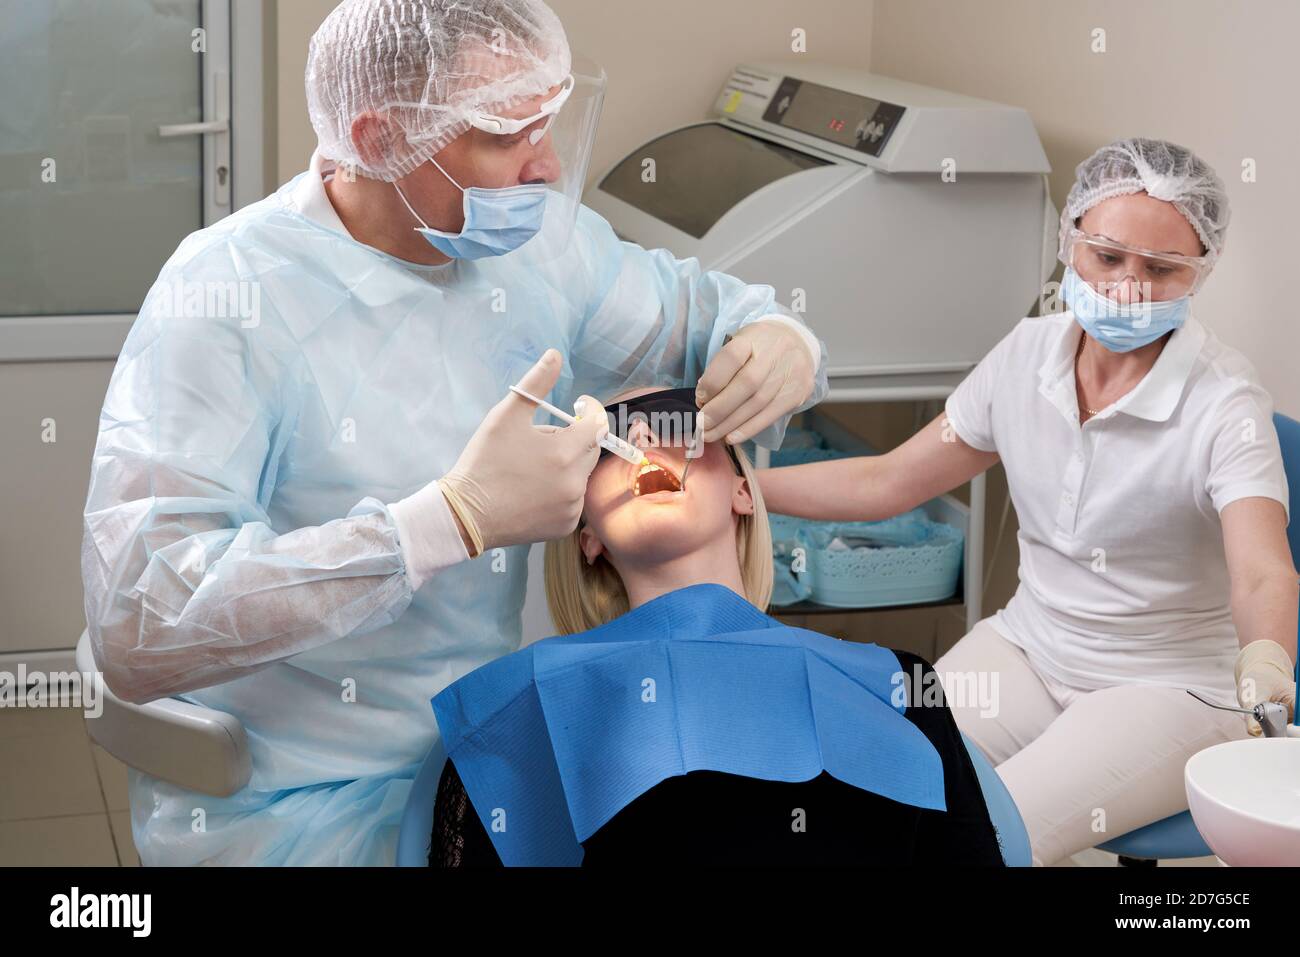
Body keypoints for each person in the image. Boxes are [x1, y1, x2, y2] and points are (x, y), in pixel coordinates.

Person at [80, 0, 828, 866]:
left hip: (481, 759)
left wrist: (781, 339)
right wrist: (443, 524)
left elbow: (709, 317)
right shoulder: (227, 298)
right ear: (380, 134)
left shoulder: (541, 247)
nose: (545, 168)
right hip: (298, 810)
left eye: (550, 123)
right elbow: (140, 621)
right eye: (510, 135)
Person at [758, 138, 1297, 865]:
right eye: (1107, 256)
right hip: (1028, 651)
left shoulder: (1226, 402)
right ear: (1068, 240)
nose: (1128, 287)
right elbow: (885, 482)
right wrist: (742, 486)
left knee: (978, 841)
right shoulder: (1026, 356)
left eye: (1161, 269)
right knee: (874, 786)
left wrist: (1267, 668)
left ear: (1198, 274)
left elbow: (1263, 569)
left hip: (1168, 688)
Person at [427, 388, 1005, 866]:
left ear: (744, 492)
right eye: (609, 439)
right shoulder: (515, 708)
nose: (643, 443)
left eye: (676, 420)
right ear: (588, 537)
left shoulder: (896, 684)